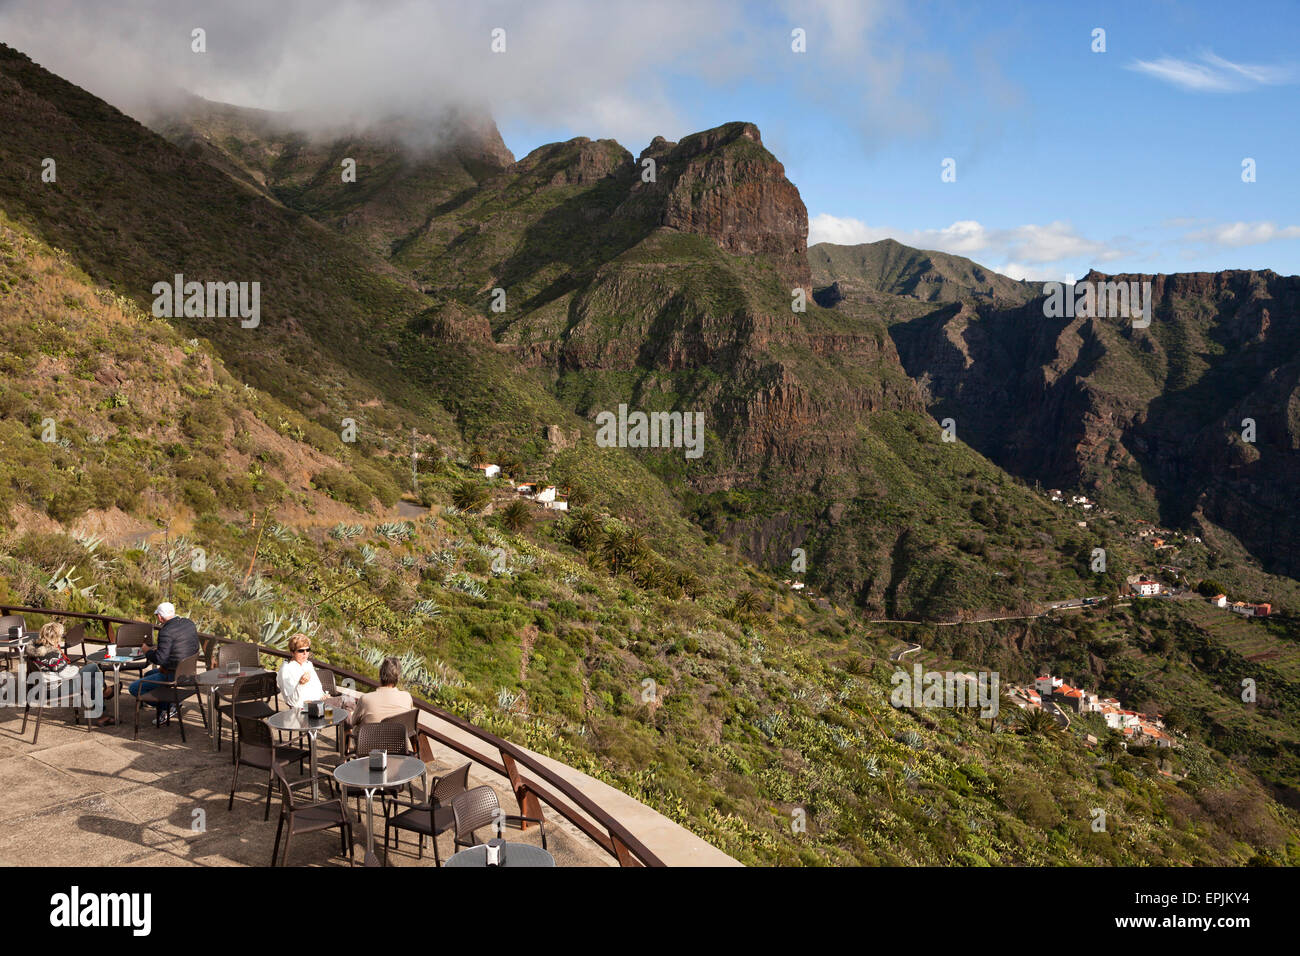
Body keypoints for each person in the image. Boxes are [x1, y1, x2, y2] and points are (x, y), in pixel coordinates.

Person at [128, 602, 199, 726]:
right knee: (149, 674)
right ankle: (167, 703)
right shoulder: (189, 623)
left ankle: (170, 706)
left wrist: (147, 651)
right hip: (188, 672)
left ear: (160, 617)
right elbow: (187, 648)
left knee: (134, 688)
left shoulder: (166, 631)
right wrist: (165, 666)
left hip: (174, 675)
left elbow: (159, 659)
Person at [347, 656, 413, 726]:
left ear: (380, 674)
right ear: (398, 677)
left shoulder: (365, 699)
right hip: (398, 736)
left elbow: (352, 722)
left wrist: (348, 713)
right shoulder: (407, 697)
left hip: (369, 736)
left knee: (346, 723)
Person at [277, 633, 325, 709]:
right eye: (301, 651)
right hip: (305, 709)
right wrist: (301, 683)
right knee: (344, 708)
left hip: (321, 703)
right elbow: (291, 702)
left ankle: (333, 718)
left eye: (307, 650)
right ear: (292, 652)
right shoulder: (286, 670)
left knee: (346, 704)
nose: (305, 653)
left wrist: (323, 695)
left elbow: (318, 686)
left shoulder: (307, 664)